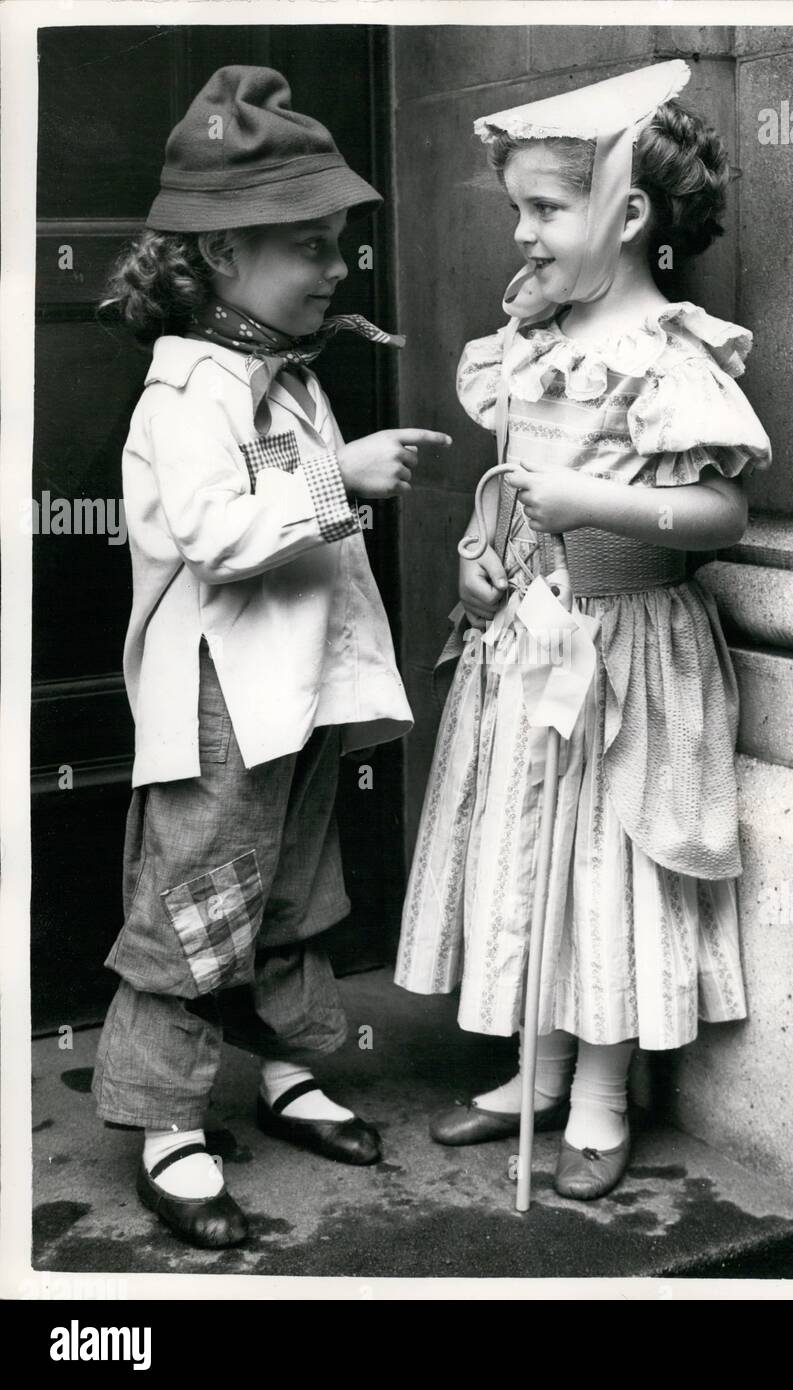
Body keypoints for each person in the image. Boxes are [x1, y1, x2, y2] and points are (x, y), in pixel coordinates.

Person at [394, 61, 772, 1200]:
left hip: (625, 647)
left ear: (631, 214)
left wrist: (597, 504)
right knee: (528, 854)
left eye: (545, 209)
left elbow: (722, 512)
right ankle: (534, 1070)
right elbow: (514, 492)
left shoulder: (666, 352)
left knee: (601, 863)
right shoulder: (527, 343)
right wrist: (483, 559)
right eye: (515, 208)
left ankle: (600, 1093)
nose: (521, 232)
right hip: (527, 638)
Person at [92, 65, 450, 1248]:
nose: (335, 269)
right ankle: (162, 1127)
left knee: (291, 887)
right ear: (222, 257)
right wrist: (335, 479)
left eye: (338, 243)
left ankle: (286, 1069)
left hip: (287, 693)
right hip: (217, 701)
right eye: (308, 247)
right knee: (198, 897)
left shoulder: (280, 375)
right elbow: (214, 529)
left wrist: (328, 485)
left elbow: (303, 542)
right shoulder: (183, 391)